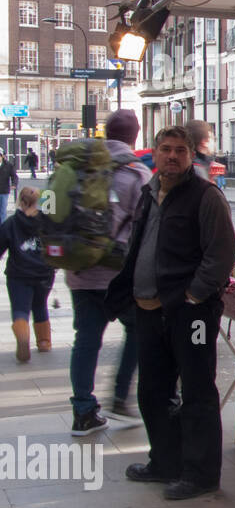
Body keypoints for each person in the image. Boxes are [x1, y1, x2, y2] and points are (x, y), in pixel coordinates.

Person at [108, 126, 235, 499]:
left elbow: (223, 254)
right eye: (165, 149)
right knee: (153, 390)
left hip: (190, 314)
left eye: (180, 150)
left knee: (197, 392)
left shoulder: (205, 196)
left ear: (190, 155)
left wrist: (194, 296)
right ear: (156, 153)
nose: (171, 156)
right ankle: (164, 462)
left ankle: (200, 474)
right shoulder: (149, 193)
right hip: (149, 309)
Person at [66, 110, 152, 435]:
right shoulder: (136, 173)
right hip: (118, 274)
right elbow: (146, 227)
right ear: (135, 136)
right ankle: (119, 396)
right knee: (139, 330)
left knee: (86, 340)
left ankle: (84, 412)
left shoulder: (77, 168)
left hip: (80, 269)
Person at [0, 187, 55, 363]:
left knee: (20, 309)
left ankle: (23, 337)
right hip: (44, 273)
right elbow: (57, 245)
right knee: (40, 305)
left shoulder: (11, 223)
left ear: (21, 202)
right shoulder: (47, 222)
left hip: (19, 274)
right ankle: (44, 342)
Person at [0, 151, 16, 224]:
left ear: (2, 156)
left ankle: (2, 228)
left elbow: (14, 176)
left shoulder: (8, 165)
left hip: (4, 191)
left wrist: (14, 184)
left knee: (2, 211)